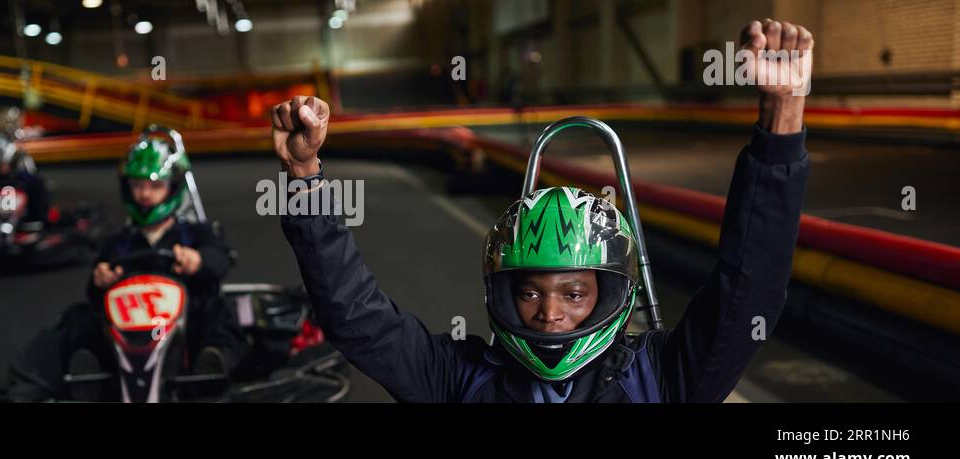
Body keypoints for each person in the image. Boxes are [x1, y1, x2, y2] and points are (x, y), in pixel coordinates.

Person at [268, 19, 813, 402]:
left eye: (573, 293)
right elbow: (354, 317)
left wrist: (782, 117)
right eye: (530, 291)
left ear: (608, 293)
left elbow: (750, 289)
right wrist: (303, 178)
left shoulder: (660, 378)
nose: (549, 313)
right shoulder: (458, 380)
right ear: (503, 292)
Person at [7, 127, 243, 402]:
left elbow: (220, 259)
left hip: (182, 324)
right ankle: (89, 370)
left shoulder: (194, 233)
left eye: (155, 186)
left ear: (173, 188)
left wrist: (198, 261)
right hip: (130, 322)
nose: (144, 194)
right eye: (138, 185)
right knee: (79, 315)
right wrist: (101, 279)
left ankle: (210, 366)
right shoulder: (120, 242)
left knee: (219, 308)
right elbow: (94, 292)